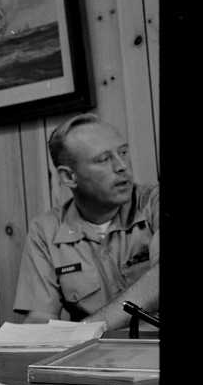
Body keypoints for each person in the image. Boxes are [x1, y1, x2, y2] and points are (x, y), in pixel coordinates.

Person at [13, 113, 159, 331]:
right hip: (92, 358)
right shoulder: (45, 230)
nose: (122, 166)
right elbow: (40, 319)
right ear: (69, 177)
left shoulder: (154, 201)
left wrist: (87, 330)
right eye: (103, 159)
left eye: (123, 153)